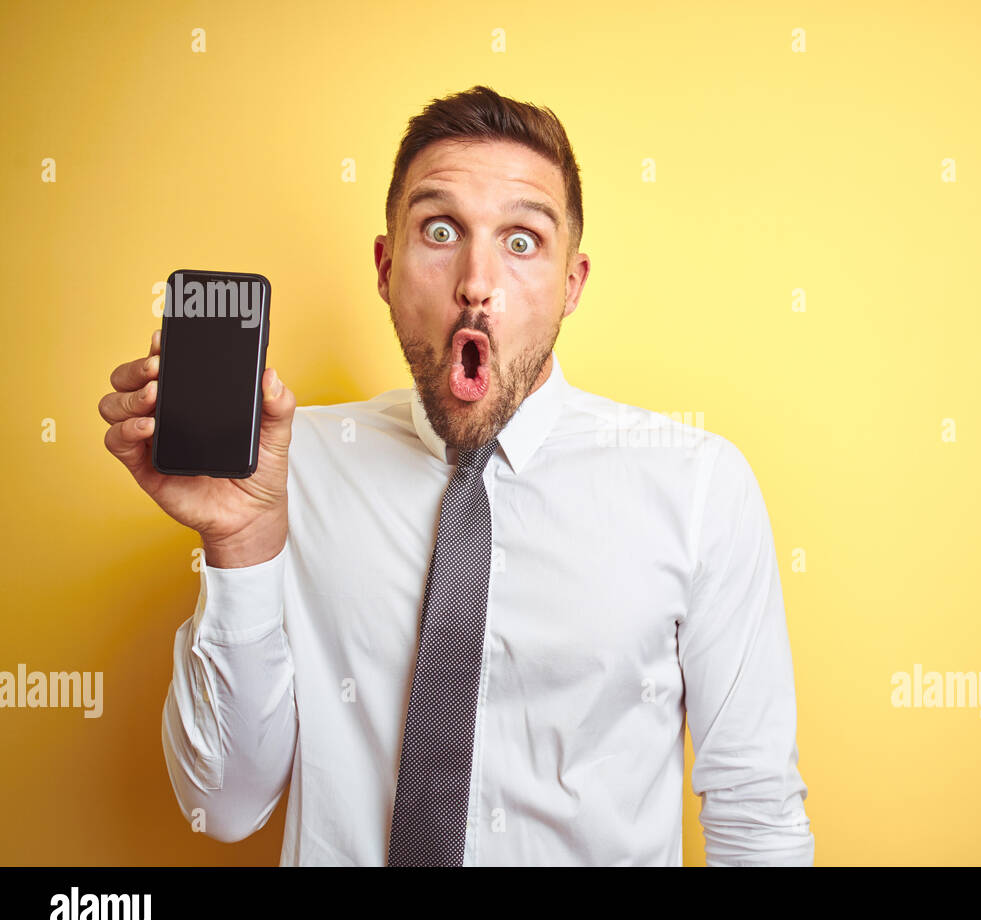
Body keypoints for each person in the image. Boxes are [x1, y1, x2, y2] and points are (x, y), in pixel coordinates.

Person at [100, 85, 813, 866]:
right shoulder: (281, 468)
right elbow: (224, 807)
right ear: (386, 265)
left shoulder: (698, 486)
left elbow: (758, 820)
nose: (477, 280)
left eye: (522, 240)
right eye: (440, 230)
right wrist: (238, 541)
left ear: (572, 284)